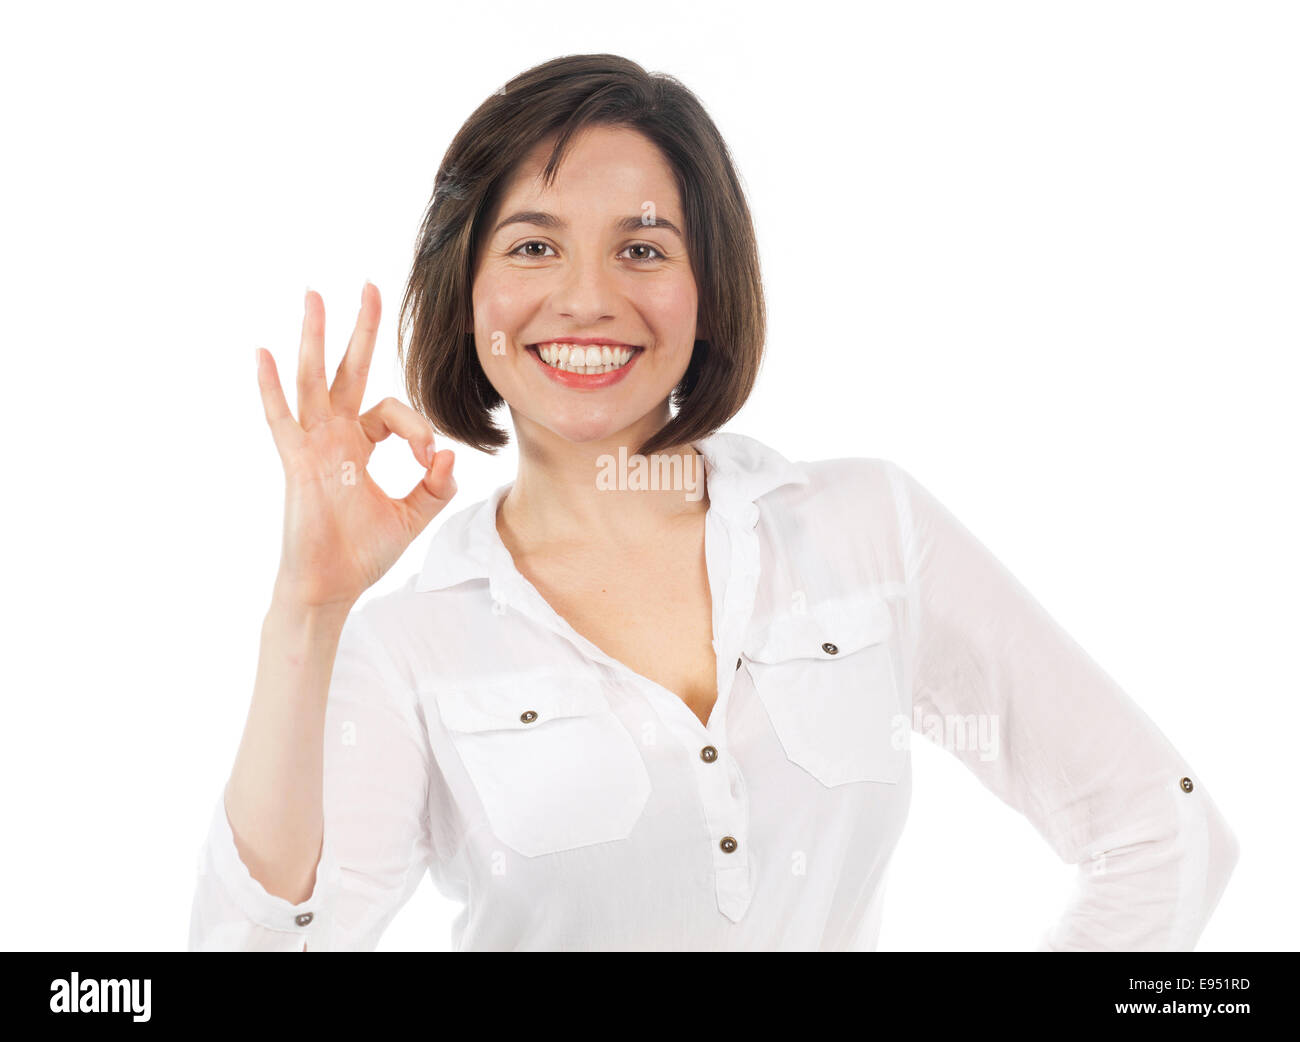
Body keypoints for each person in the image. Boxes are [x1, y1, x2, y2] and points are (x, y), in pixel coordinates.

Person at [188, 54, 1238, 951]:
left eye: (642, 248)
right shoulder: (412, 649)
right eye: (533, 245)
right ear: (468, 295)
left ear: (708, 285)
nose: (588, 296)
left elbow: (1162, 829)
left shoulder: (868, 531)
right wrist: (308, 610)